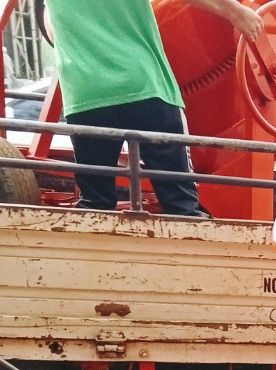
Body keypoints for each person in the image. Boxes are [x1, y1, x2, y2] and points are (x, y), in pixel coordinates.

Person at [46, 0, 262, 216]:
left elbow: (51, 29)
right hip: (144, 86)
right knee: (181, 204)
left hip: (86, 95)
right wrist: (237, 12)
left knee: (95, 204)